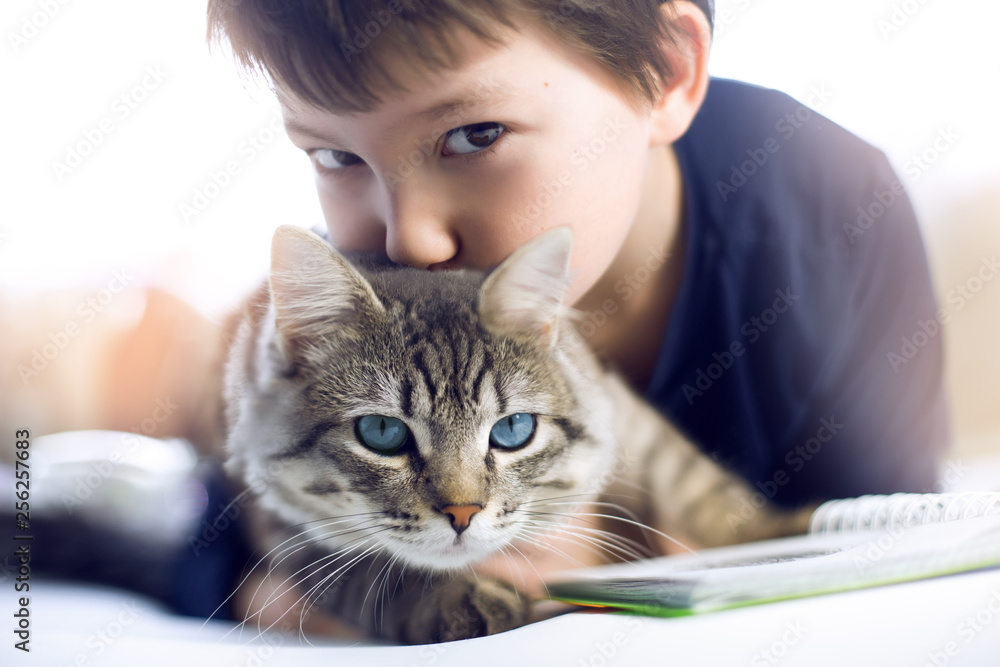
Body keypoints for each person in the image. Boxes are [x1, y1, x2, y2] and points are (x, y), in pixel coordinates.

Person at [206, 0, 948, 506]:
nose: (409, 240)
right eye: (336, 155)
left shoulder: (834, 209)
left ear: (664, 70)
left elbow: (886, 544)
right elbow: (227, 529)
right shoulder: (358, 290)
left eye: (476, 135)